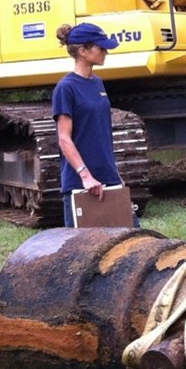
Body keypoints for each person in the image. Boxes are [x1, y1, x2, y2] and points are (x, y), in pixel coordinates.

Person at [53, 22, 123, 227]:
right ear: (83, 51)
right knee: (80, 253)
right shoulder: (66, 88)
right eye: (101, 48)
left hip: (108, 178)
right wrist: (85, 176)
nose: (106, 52)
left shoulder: (97, 83)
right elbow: (64, 139)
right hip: (81, 183)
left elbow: (100, 132)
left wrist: (116, 175)